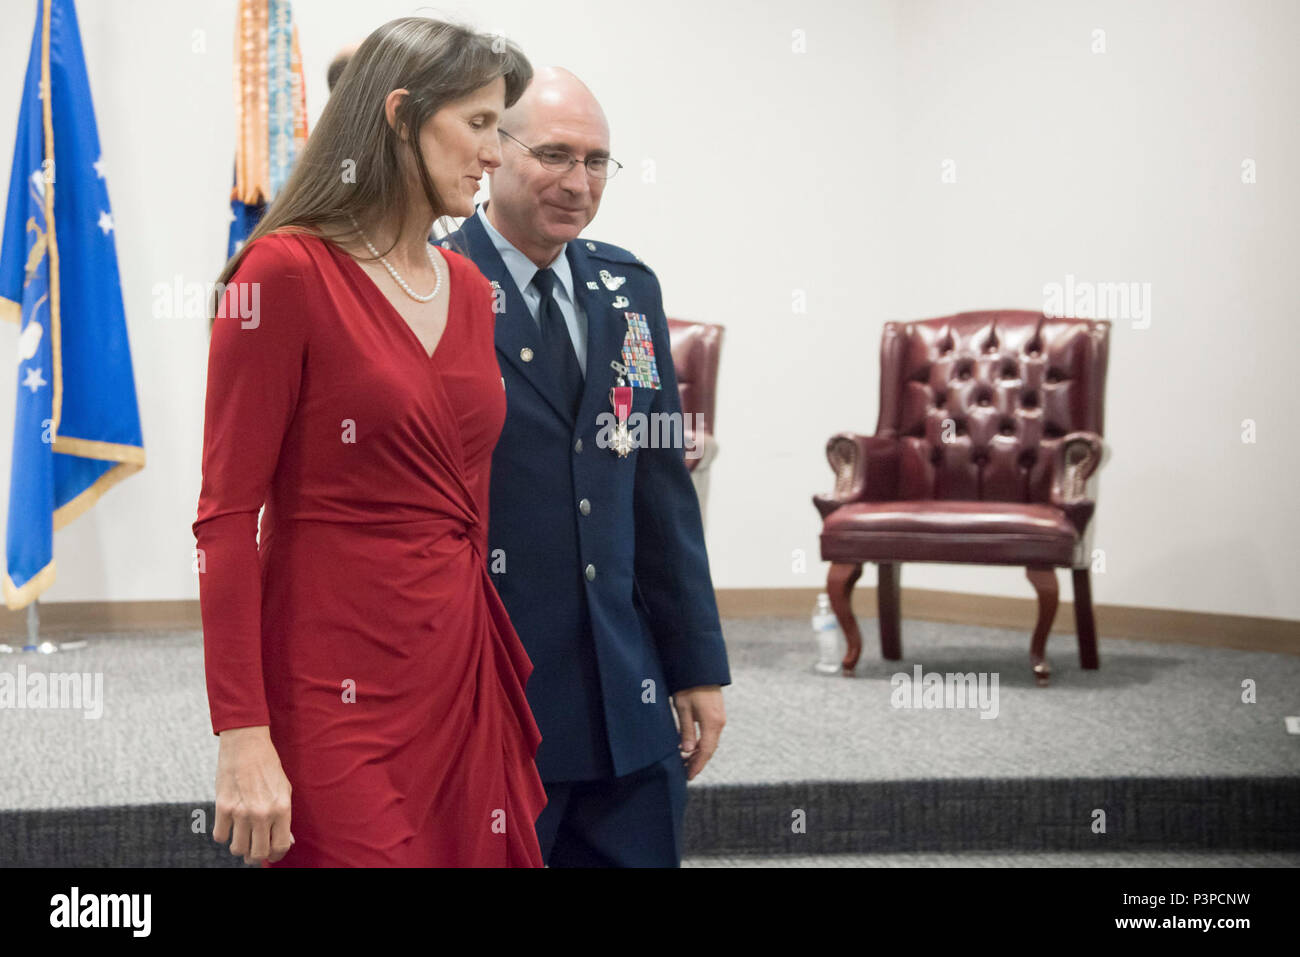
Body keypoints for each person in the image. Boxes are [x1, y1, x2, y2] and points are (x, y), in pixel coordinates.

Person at [194, 17, 544, 867]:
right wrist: (242, 732)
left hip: (457, 664)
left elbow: (472, 497)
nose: (496, 153)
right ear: (398, 114)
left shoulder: (467, 286)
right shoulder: (282, 272)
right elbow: (224, 519)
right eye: (479, 123)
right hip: (331, 674)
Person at [442, 67, 730, 867]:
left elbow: (659, 490)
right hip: (495, 696)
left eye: (597, 161)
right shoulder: (434, 283)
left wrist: (696, 665)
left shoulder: (627, 288)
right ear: (494, 152)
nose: (578, 182)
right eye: (555, 154)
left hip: (622, 695)